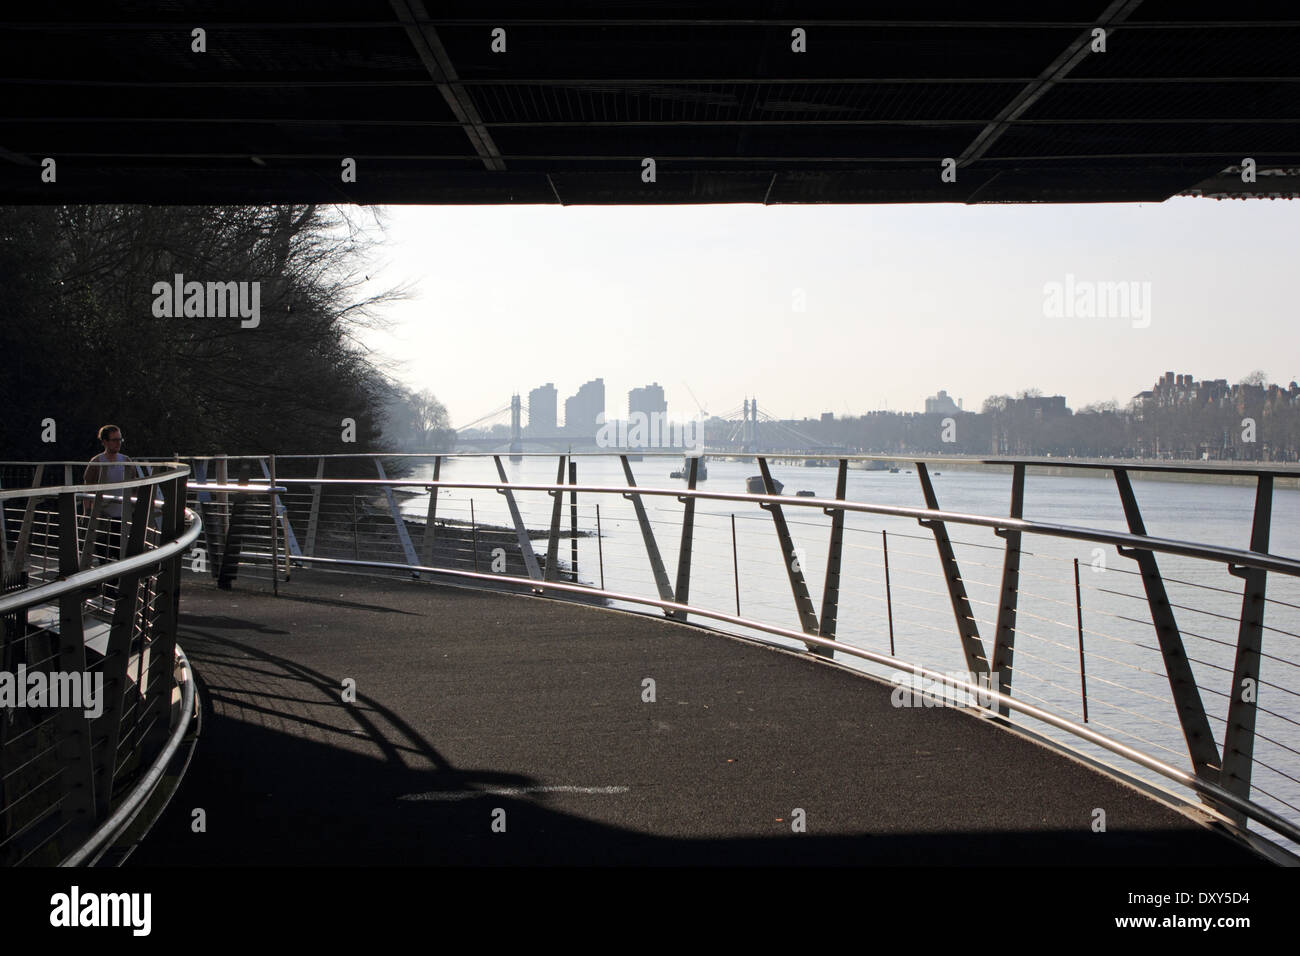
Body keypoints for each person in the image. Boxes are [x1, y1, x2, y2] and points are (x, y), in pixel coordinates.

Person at [83, 424, 133, 572]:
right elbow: (88, 488)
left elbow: (134, 488)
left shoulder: (126, 461)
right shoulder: (97, 462)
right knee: (103, 555)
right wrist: (88, 511)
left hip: (121, 517)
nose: (118, 443)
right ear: (105, 442)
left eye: (120, 439)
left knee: (120, 554)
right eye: (114, 440)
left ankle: (115, 586)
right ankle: (109, 588)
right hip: (102, 517)